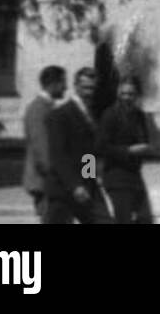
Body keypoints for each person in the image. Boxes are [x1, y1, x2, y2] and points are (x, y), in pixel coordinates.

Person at [44, 66, 112, 224]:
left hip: (87, 186)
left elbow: (88, 151)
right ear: (75, 86)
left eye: (92, 88)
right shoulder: (59, 115)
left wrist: (90, 177)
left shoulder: (91, 114)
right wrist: (75, 185)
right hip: (63, 189)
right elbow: (58, 155)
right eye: (85, 87)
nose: (89, 92)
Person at [96, 75, 156, 224]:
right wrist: (128, 151)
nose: (127, 97)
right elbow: (100, 147)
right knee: (123, 220)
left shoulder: (140, 116)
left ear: (136, 95)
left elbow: (144, 140)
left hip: (135, 175)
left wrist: (146, 149)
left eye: (130, 94)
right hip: (116, 176)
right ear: (118, 93)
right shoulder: (109, 115)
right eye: (123, 93)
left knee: (145, 218)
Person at [22, 65, 66, 220]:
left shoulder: (48, 107)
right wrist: (56, 176)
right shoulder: (38, 109)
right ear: (53, 84)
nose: (66, 88)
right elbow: (41, 148)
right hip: (45, 182)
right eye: (63, 83)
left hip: (51, 181)